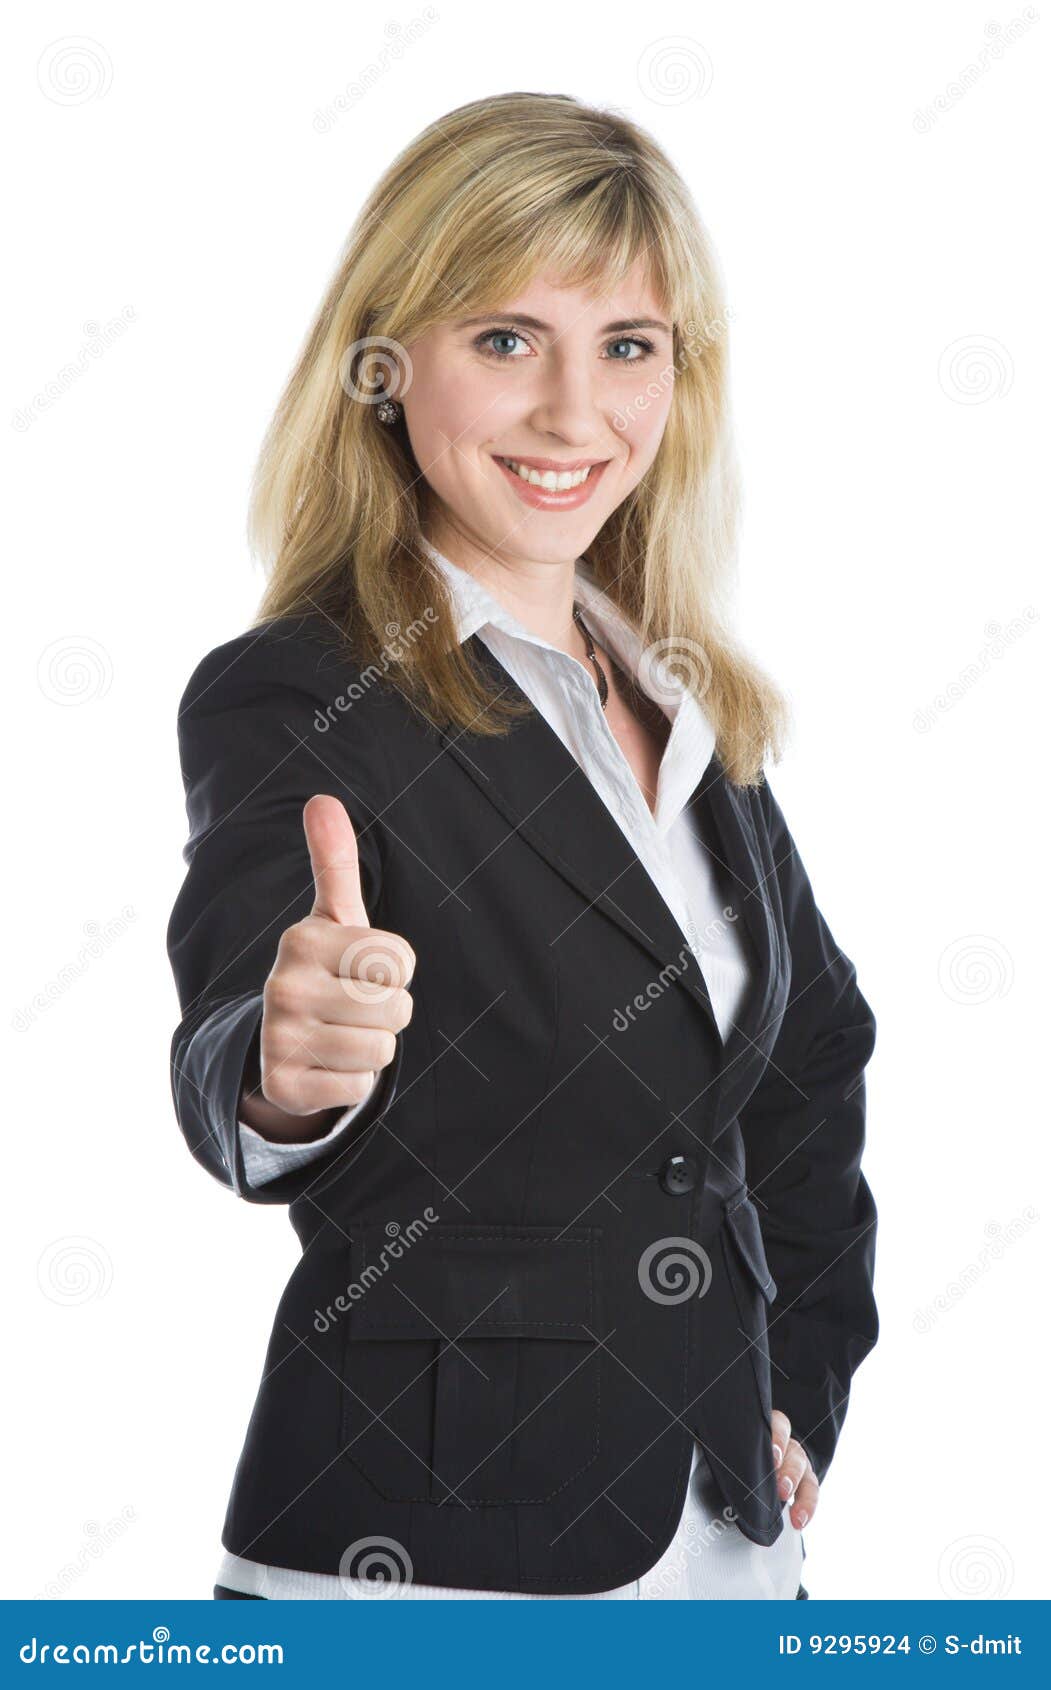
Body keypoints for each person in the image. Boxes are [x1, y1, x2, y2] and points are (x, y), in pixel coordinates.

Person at [167, 91, 878, 1600]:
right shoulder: (300, 691)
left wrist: (795, 1389)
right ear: (384, 367)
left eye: (628, 346)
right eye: (505, 340)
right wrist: (283, 1068)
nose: (573, 413)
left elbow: (808, 1070)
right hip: (426, 1557)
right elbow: (244, 1015)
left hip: (729, 1551)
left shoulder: (692, 708)